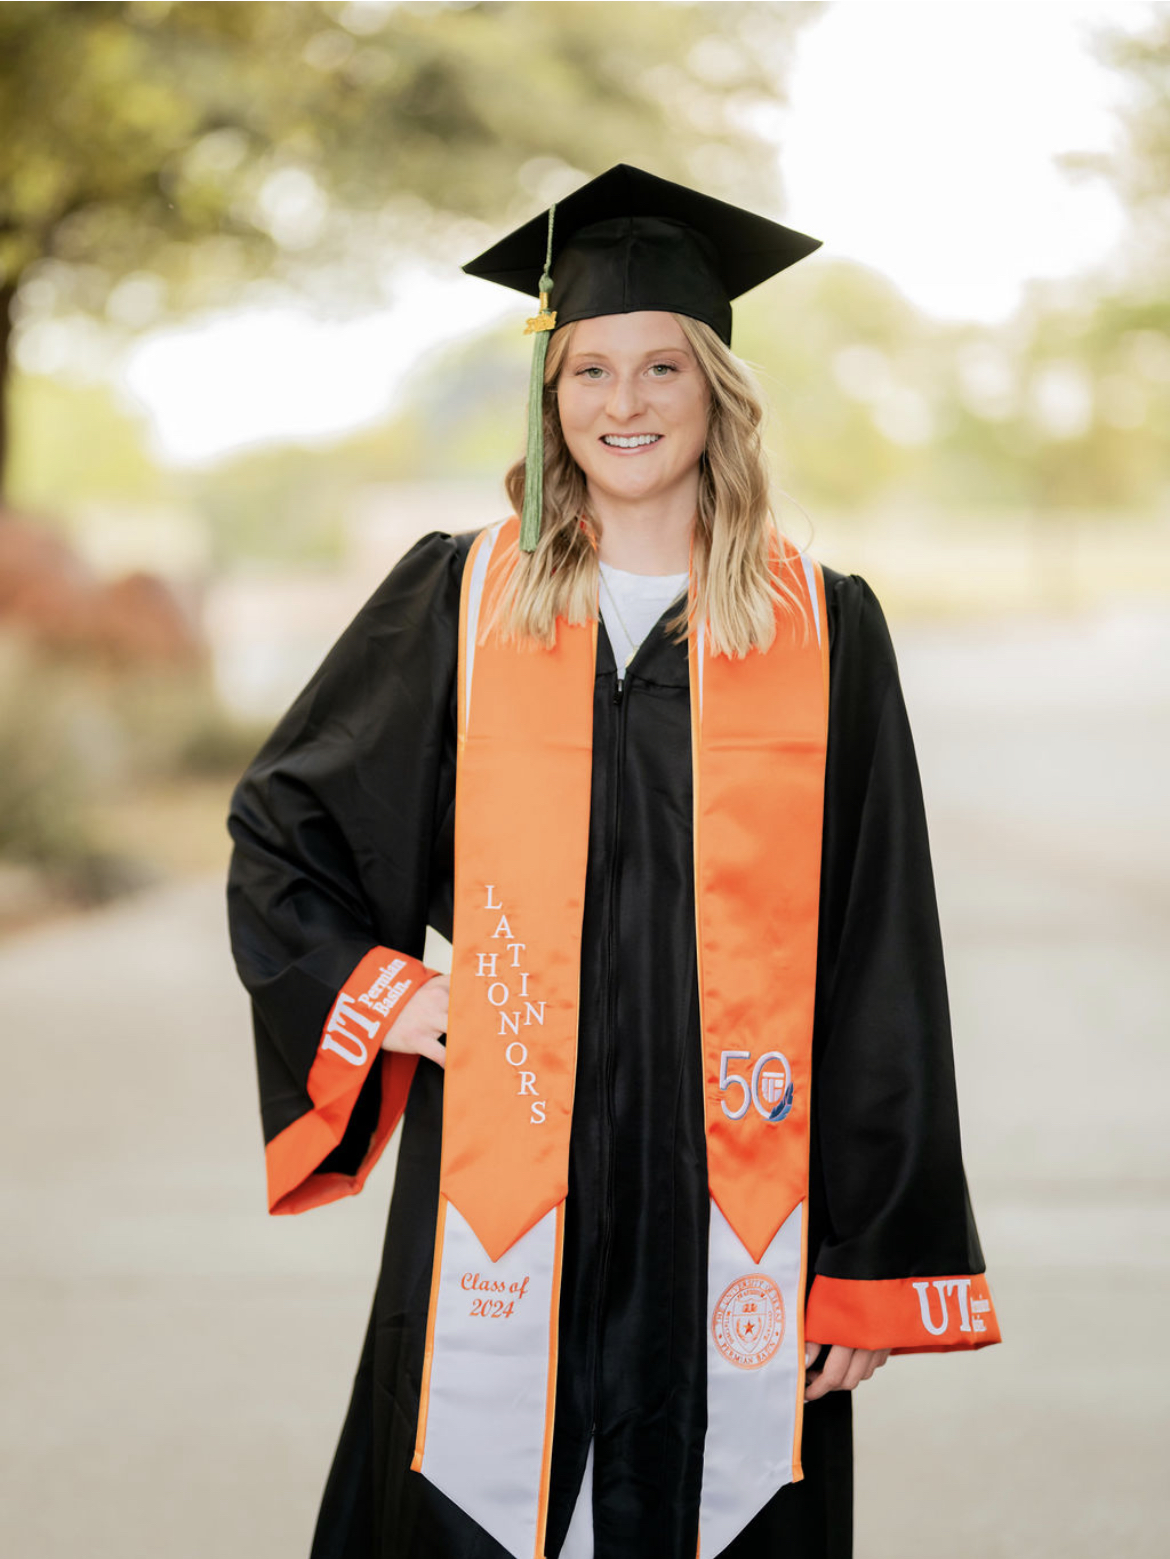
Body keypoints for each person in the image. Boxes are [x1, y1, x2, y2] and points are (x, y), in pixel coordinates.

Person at [225, 164, 1001, 1559]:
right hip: (507, 1196)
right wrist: (399, 997)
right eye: (588, 367)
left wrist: (863, 1265)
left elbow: (878, 948)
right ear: (551, 389)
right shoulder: (461, 596)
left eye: (659, 366)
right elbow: (286, 830)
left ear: (716, 391)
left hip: (739, 1211)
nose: (623, 402)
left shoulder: (823, 629)